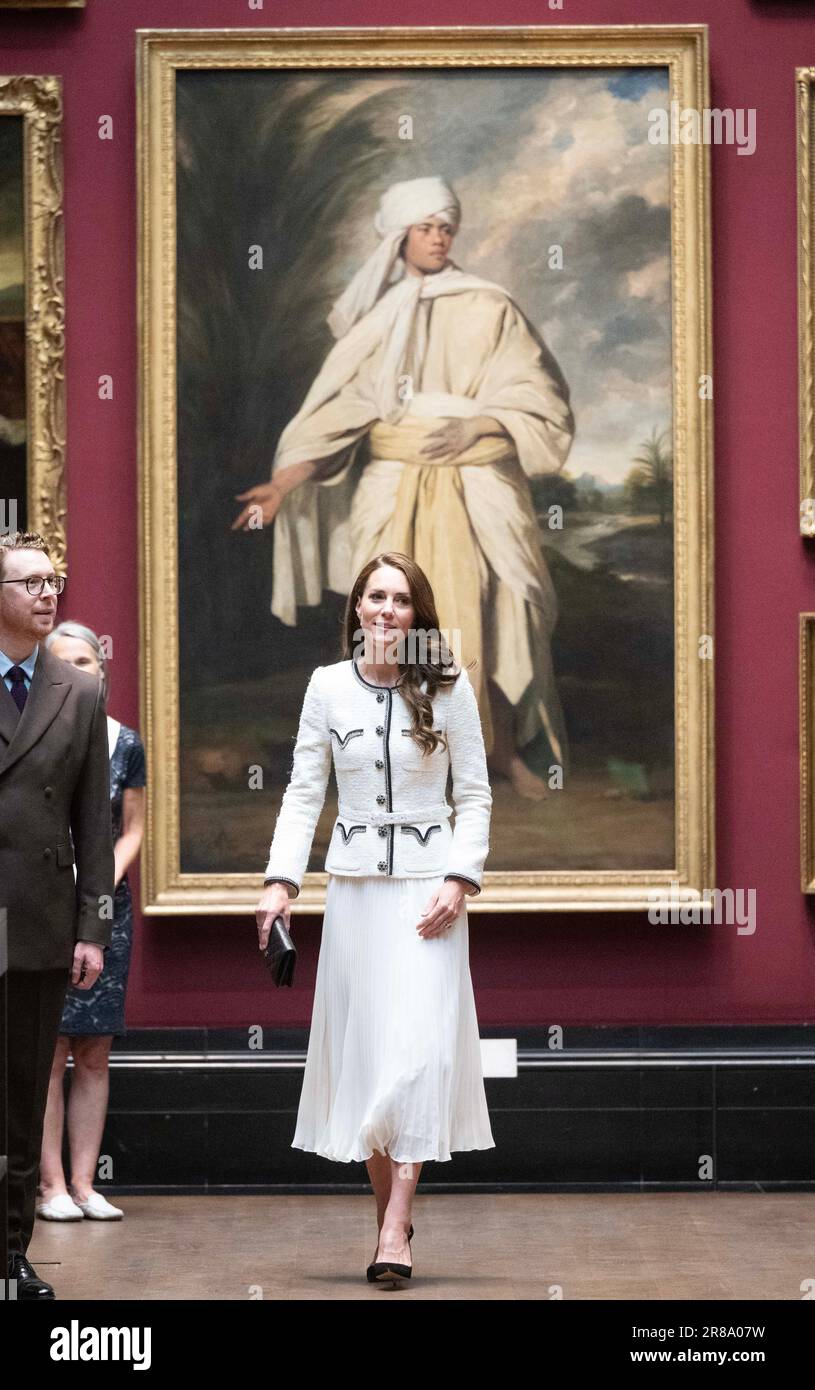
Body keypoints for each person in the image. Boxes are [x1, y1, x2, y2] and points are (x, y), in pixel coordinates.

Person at [233, 174, 575, 798]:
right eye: (426, 228)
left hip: (477, 487)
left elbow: (540, 401)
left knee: (494, 616)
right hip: (392, 491)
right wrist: (282, 485)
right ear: (400, 238)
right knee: (389, 625)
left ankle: (492, 758)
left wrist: (479, 423)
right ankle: (393, 761)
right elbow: (337, 415)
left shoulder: (490, 305)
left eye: (446, 227)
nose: (439, 238)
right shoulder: (376, 319)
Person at [255, 551, 494, 1288]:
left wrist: (461, 878)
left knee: (418, 1054)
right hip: (354, 893)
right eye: (373, 597)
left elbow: (477, 795)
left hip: (428, 893)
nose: (385, 610)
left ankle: (395, 1224)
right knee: (365, 1064)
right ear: (356, 608)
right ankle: (387, 1209)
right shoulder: (326, 688)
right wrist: (278, 884)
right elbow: (302, 794)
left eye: (398, 599)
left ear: (416, 613)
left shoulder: (447, 686)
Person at [0, 532, 114, 1299]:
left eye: (55, 580)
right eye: (30, 581)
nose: (49, 593)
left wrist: (93, 928)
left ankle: (11, 1251)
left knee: (17, 1094)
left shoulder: (78, 694)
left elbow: (93, 827)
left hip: (36, 919)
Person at [36, 622, 146, 1223]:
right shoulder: (35, 733)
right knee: (49, 1049)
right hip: (46, 902)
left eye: (87, 661)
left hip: (105, 909)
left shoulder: (124, 741)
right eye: (65, 662)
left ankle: (85, 1184)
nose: (78, 671)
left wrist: (96, 882)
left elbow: (131, 830)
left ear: (101, 671)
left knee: (95, 1050)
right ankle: (49, 1186)